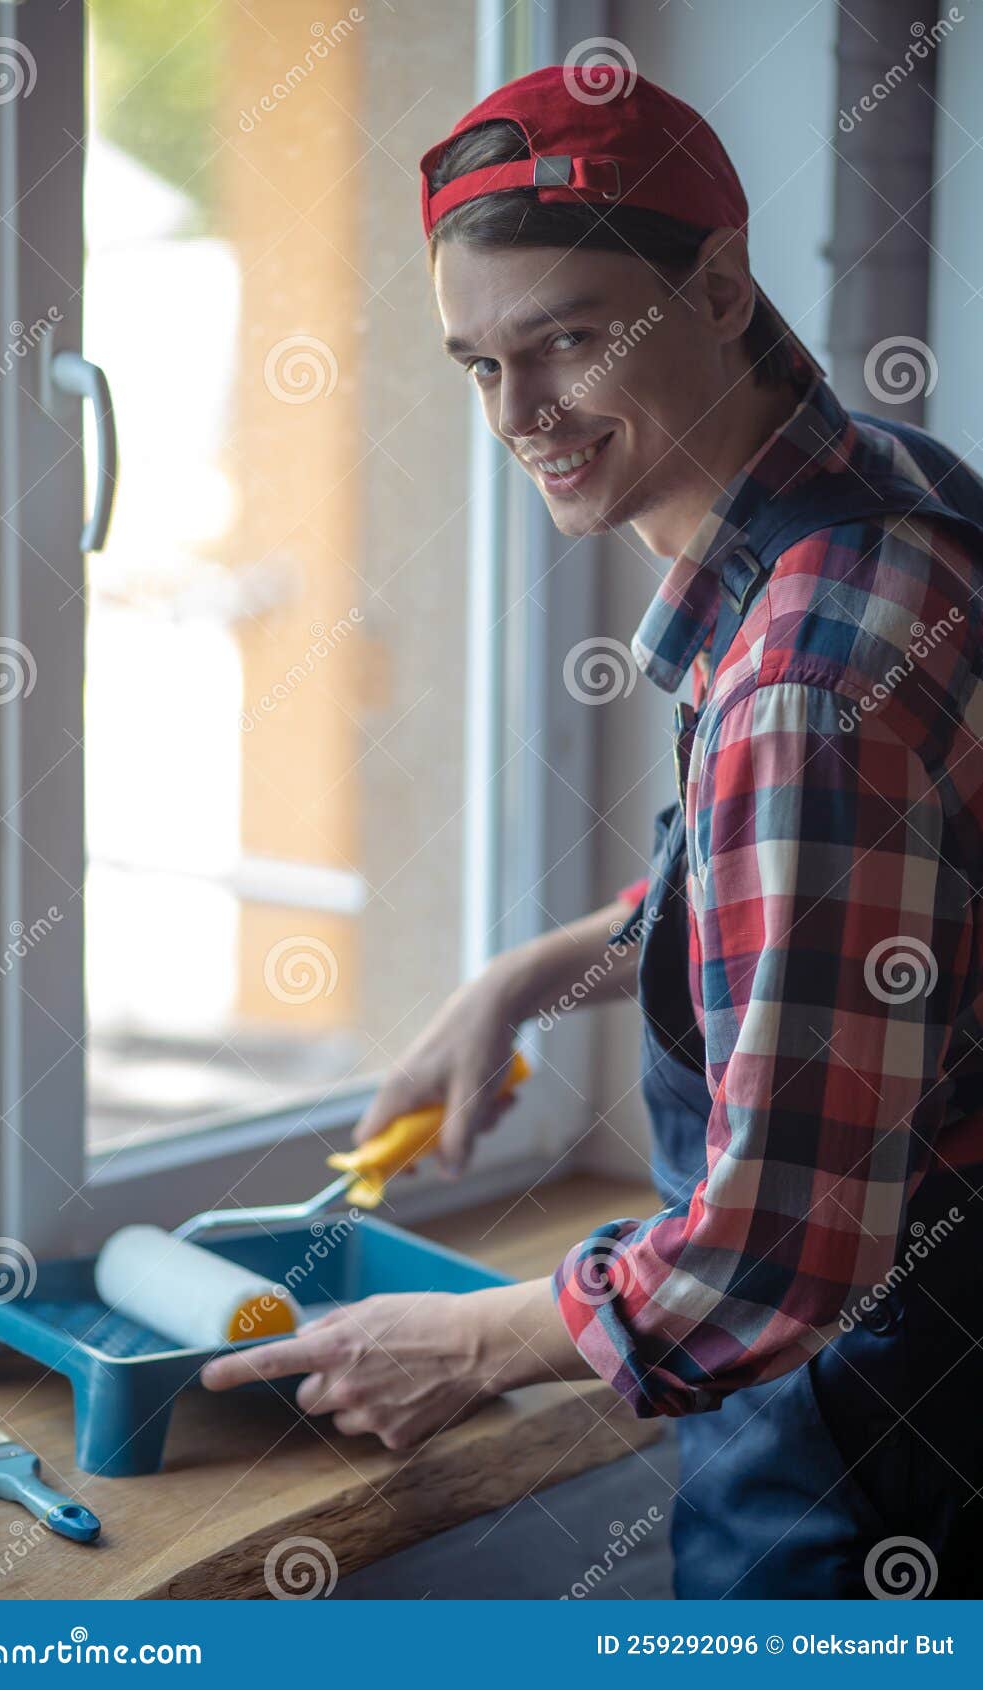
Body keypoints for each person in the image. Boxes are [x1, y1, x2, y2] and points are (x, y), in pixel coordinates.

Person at [203, 63, 983, 1599]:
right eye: (475, 365)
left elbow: (777, 1255)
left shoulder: (803, 680)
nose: (520, 417)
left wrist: (473, 1344)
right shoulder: (896, 488)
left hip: (878, 1425)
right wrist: (518, 980)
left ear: (717, 285)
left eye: (566, 339)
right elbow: (816, 908)